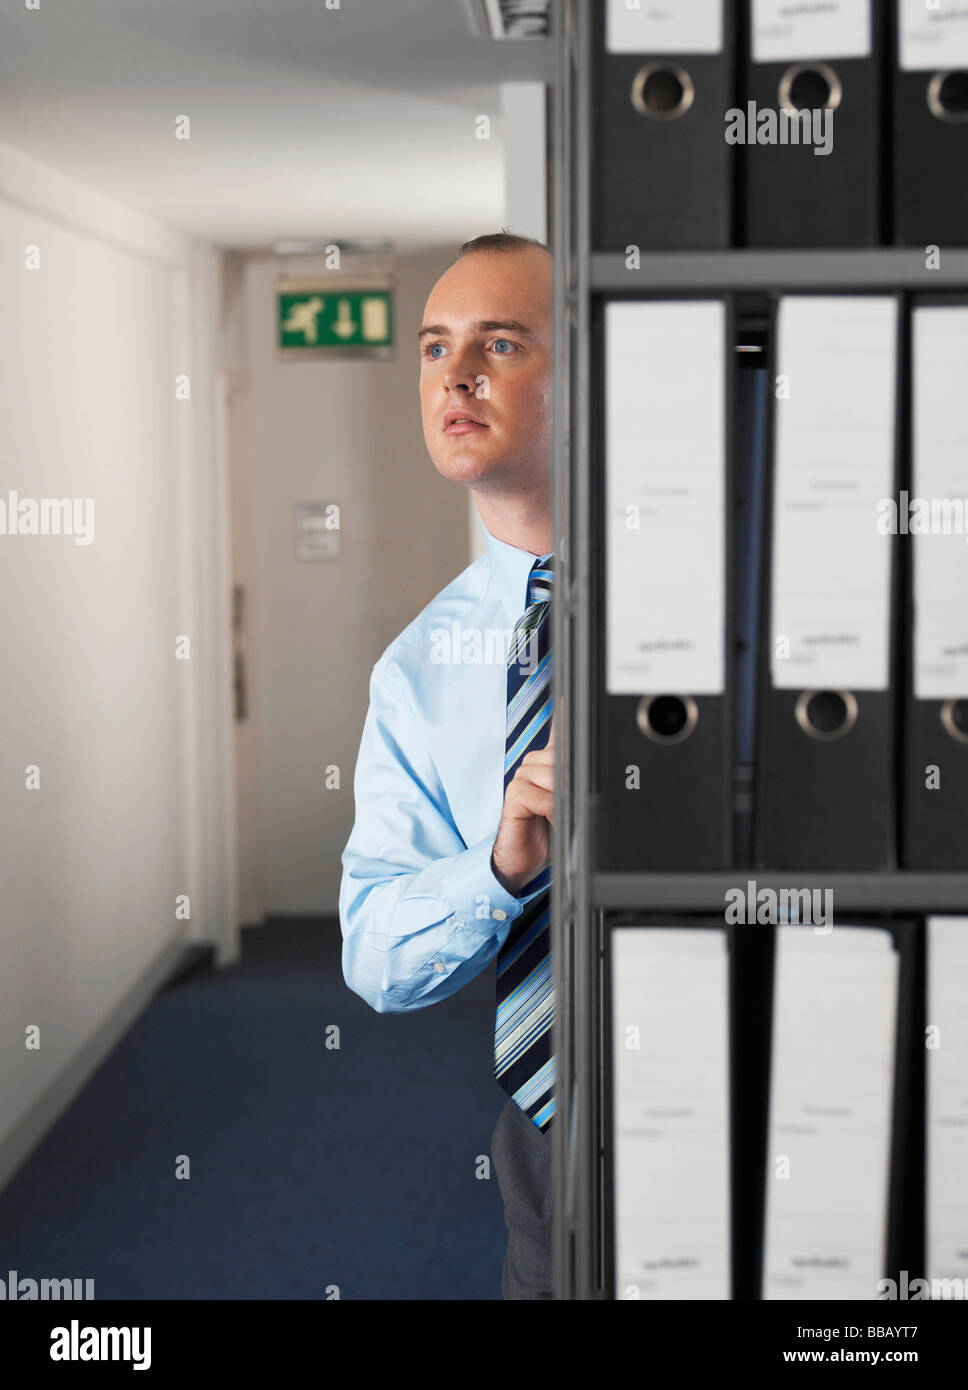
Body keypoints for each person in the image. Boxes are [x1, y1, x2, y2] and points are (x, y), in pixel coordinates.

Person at [338, 231, 557, 1299]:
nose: (455, 376)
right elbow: (371, 952)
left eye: (499, 344)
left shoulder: (726, 594)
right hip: (552, 1134)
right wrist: (498, 867)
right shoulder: (420, 670)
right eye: (433, 350)